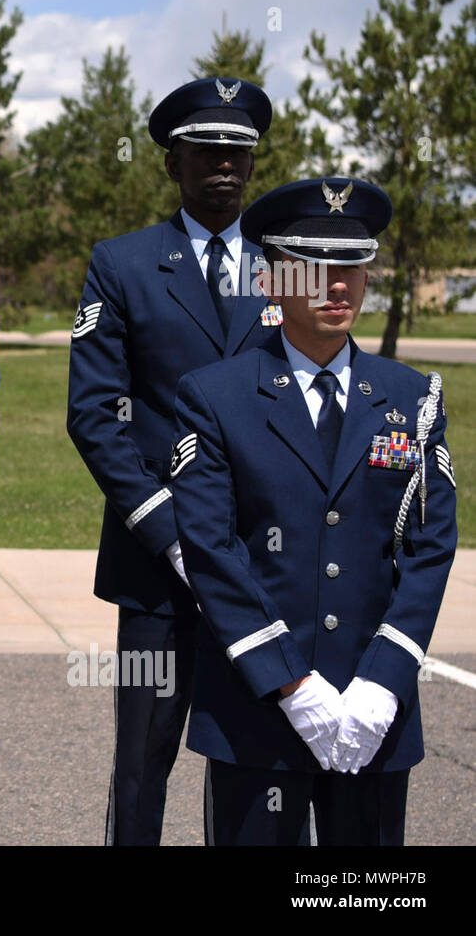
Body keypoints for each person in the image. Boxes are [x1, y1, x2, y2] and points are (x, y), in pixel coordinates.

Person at [171, 177, 456, 845]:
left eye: (352, 266)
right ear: (271, 281)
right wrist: (292, 684)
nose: (338, 285)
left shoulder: (411, 399)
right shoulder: (215, 398)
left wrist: (383, 683)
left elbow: (429, 546)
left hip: (371, 713)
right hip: (256, 709)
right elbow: (212, 549)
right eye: (315, 267)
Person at [66, 77, 277, 845]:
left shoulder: (288, 266)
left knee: (255, 760)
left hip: (264, 560)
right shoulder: (122, 265)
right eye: (205, 149)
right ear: (171, 164)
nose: (223, 163)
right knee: (142, 758)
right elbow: (94, 413)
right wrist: (169, 529)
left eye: (238, 150)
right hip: (157, 568)